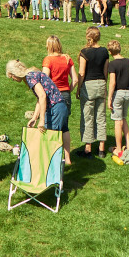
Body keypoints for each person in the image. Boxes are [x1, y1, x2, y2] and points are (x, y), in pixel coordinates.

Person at [6, 59, 69, 140]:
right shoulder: (34, 73)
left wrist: (41, 120)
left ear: (15, 73)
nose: (13, 79)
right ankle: (67, 153)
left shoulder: (30, 77)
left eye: (12, 77)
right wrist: (34, 118)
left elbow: (42, 96)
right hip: (60, 106)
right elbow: (40, 99)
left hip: (54, 109)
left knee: (50, 139)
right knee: (63, 132)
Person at [41, 35, 77, 164]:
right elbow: (76, 79)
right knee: (65, 126)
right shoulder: (67, 59)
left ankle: (52, 156)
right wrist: (67, 90)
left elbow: (44, 80)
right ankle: (67, 157)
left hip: (53, 97)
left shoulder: (48, 60)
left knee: (51, 125)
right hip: (65, 94)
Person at [76, 26, 108, 157]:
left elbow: (82, 72)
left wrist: (78, 87)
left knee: (87, 117)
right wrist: (104, 84)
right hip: (101, 83)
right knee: (101, 117)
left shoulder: (85, 52)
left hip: (88, 85)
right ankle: (101, 148)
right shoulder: (104, 51)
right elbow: (106, 71)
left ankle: (88, 148)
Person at [106, 40, 129, 160]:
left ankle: (118, 148)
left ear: (110, 51)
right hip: (128, 92)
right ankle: (128, 145)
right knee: (123, 118)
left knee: (118, 122)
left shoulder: (112, 64)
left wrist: (109, 97)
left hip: (118, 93)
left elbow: (112, 82)